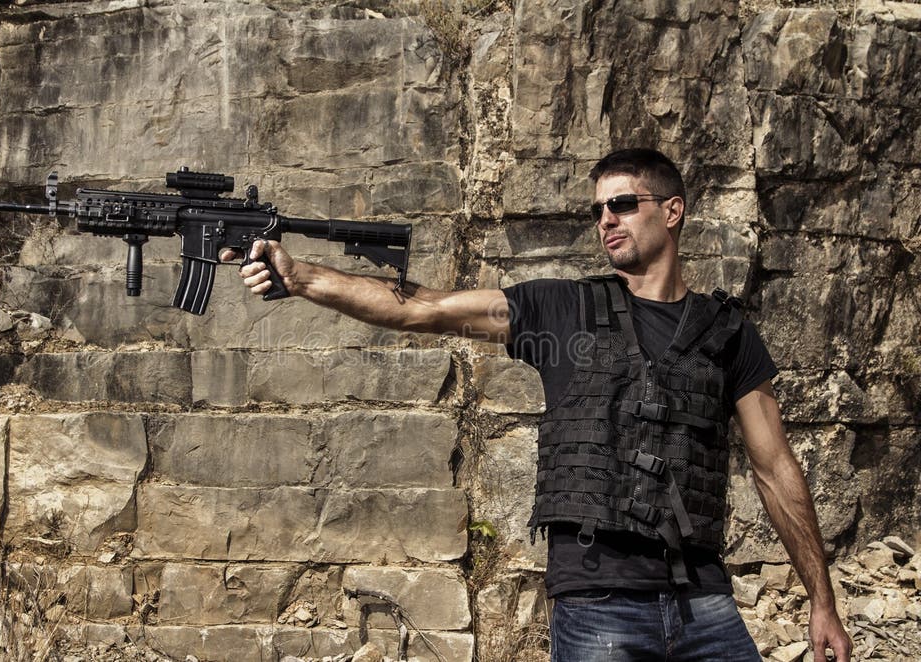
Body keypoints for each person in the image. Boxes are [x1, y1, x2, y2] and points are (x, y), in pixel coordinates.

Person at [220, 148, 852, 662]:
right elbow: (424, 308)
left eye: (624, 204)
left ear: (675, 210)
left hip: (704, 601)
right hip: (597, 606)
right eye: (599, 209)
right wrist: (302, 277)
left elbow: (775, 470)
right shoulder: (562, 309)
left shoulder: (728, 331)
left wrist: (821, 601)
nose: (607, 219)